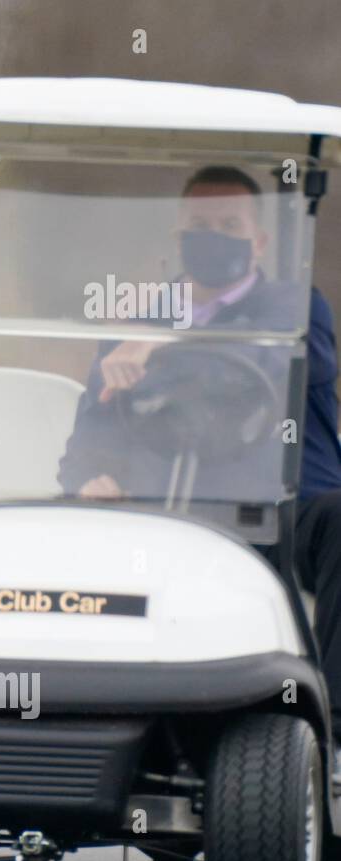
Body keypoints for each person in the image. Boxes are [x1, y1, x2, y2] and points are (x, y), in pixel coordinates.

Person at [58, 165, 341, 754]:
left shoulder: (296, 309)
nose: (213, 236)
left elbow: (272, 367)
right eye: (200, 225)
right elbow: (86, 437)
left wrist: (168, 342)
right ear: (177, 237)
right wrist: (90, 477)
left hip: (282, 512)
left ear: (259, 241)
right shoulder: (137, 315)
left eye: (229, 225)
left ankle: (332, 732)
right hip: (163, 508)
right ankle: (80, 729)